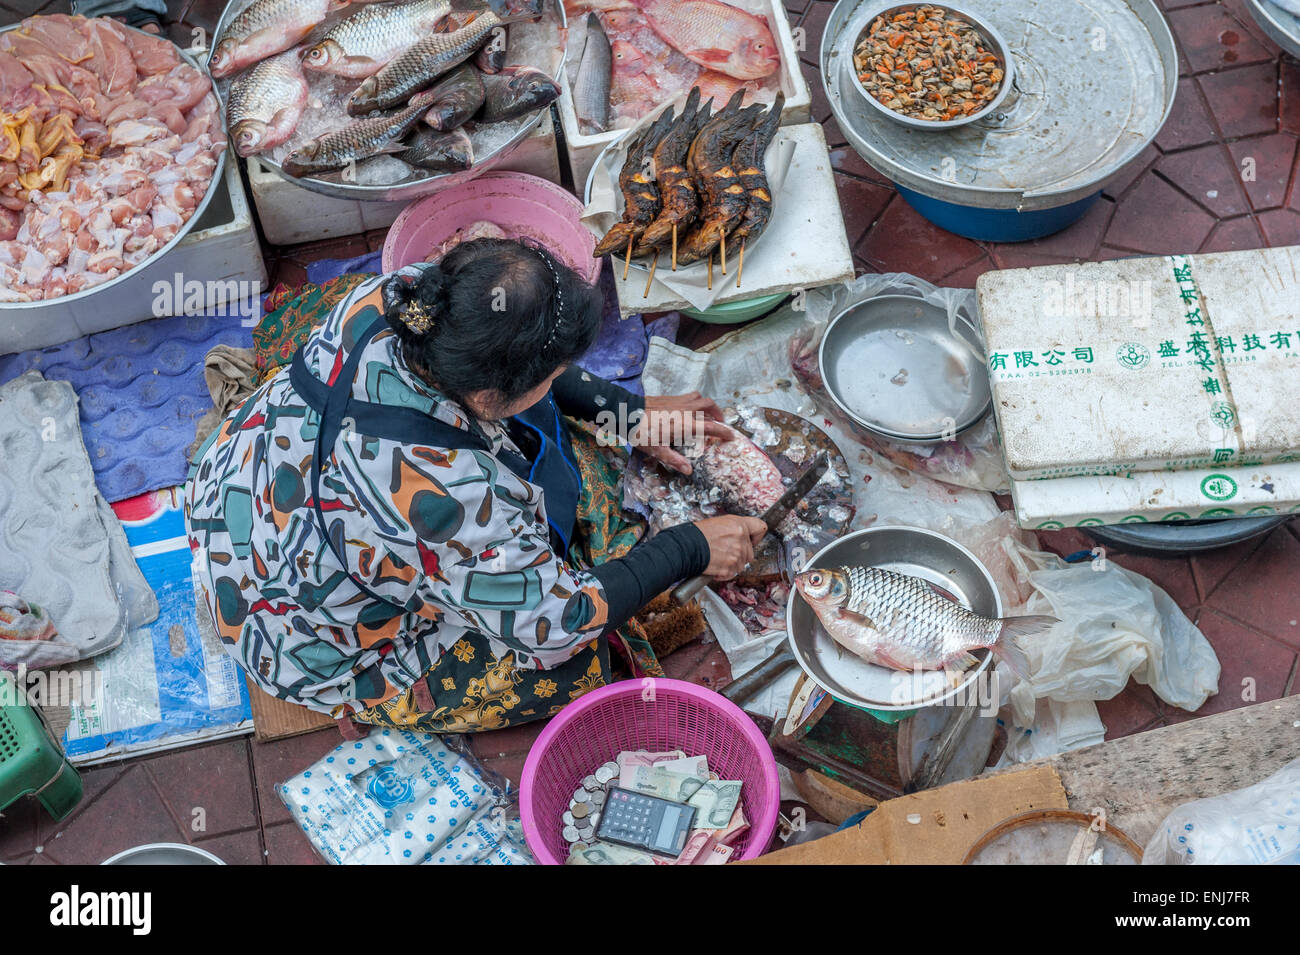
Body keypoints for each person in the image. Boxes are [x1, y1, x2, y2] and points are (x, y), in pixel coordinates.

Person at [186, 239, 766, 734]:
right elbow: (555, 624)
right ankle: (373, 692)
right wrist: (692, 544)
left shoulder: (403, 298)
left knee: (543, 425)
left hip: (245, 503)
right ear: (489, 397)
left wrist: (626, 413)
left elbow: (527, 368)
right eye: (551, 372)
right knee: (575, 668)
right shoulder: (451, 502)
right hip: (308, 639)